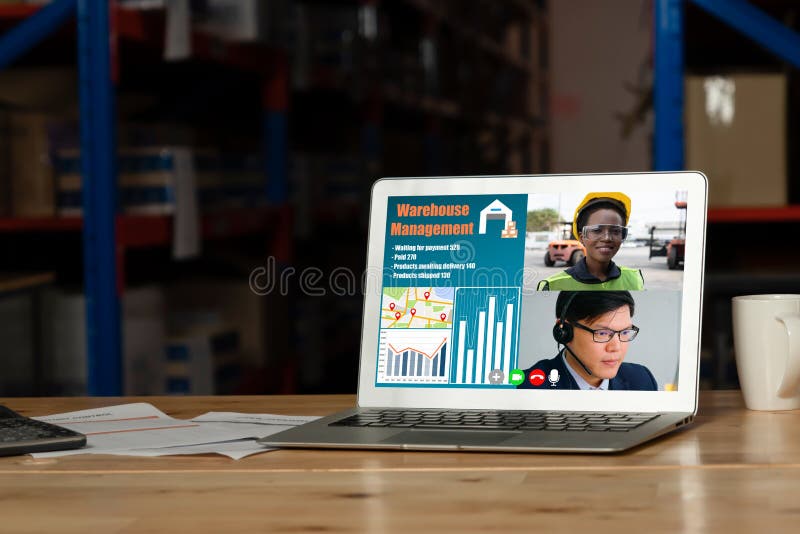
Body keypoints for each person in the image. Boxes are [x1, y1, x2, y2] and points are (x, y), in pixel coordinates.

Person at [517, 291, 657, 390]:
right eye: (602, 333)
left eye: (625, 332)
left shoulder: (642, 380)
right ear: (563, 331)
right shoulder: (526, 387)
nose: (616, 347)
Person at [537, 192, 644, 290]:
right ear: (582, 237)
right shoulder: (552, 286)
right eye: (597, 230)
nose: (607, 238)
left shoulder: (634, 279)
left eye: (615, 231)